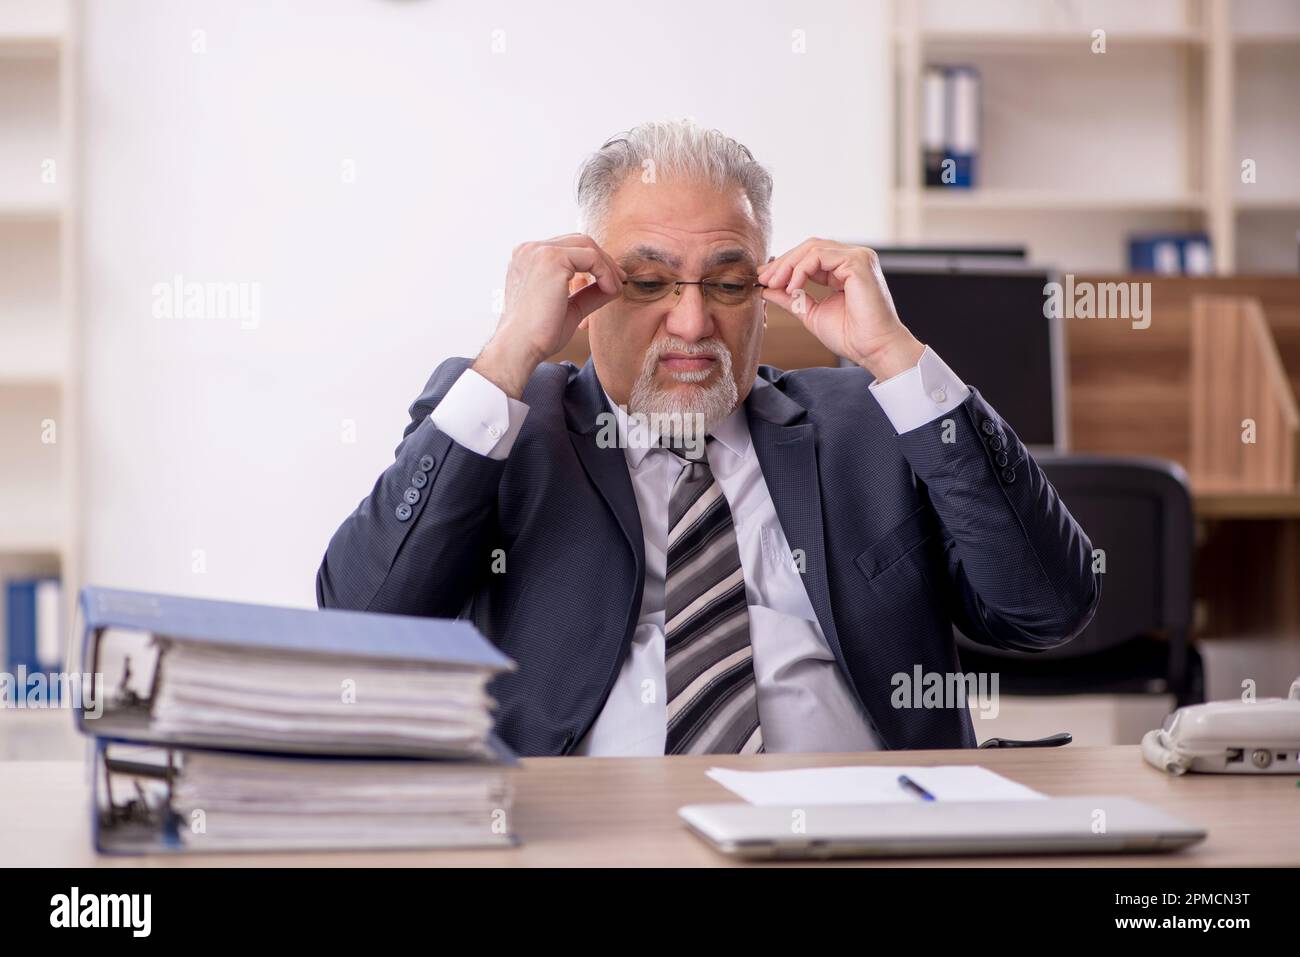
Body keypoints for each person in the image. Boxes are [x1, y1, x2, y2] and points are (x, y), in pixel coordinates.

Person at [317, 119, 1099, 757]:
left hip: (863, 837)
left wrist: (897, 356)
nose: (692, 324)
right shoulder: (508, 420)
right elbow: (363, 623)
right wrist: (509, 354)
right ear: (585, 288)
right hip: (587, 843)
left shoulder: (866, 418)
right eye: (649, 282)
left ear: (764, 291)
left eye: (727, 283)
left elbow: (1047, 607)